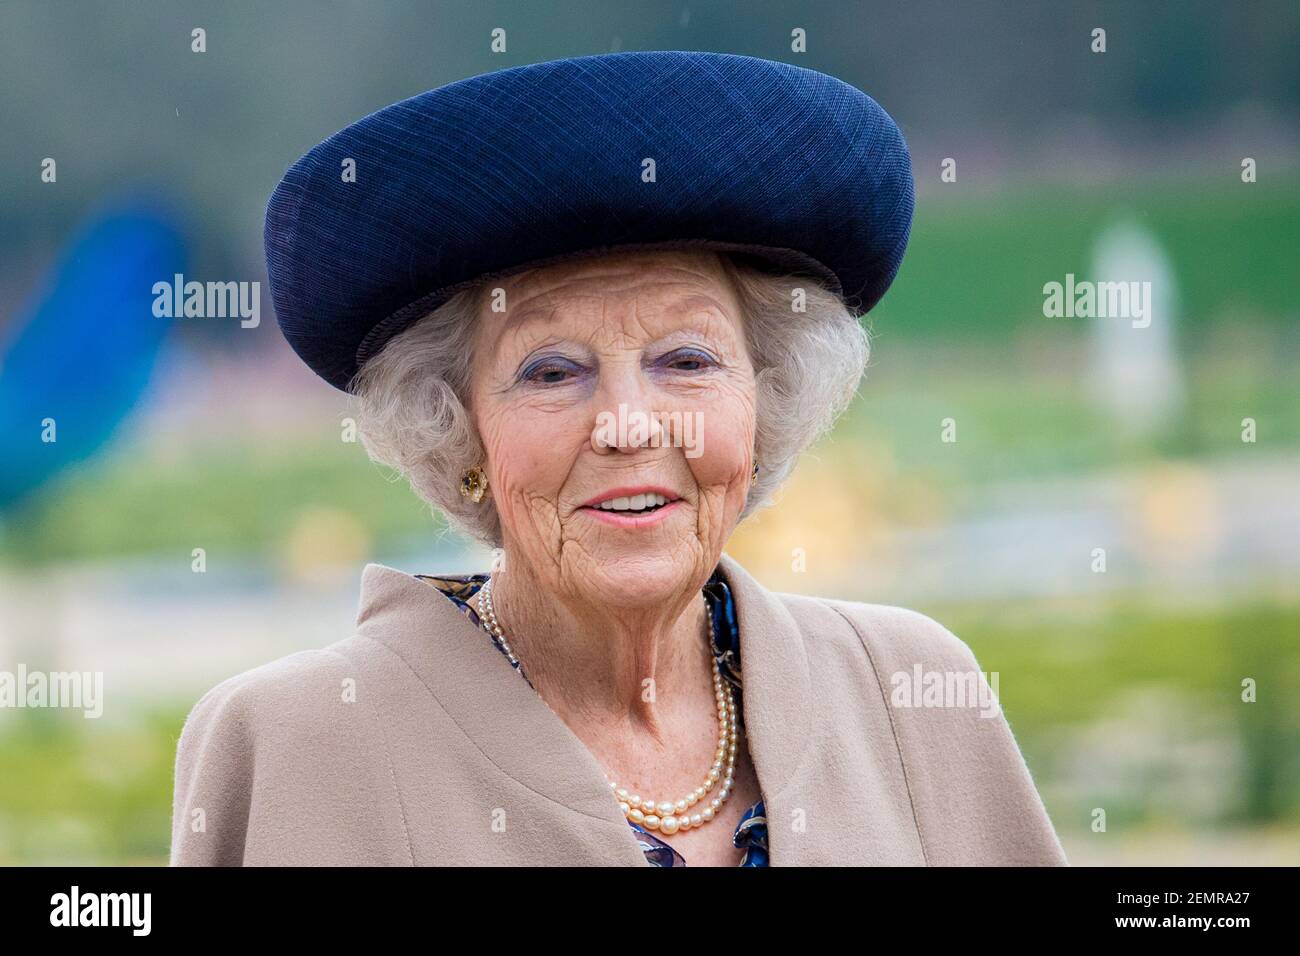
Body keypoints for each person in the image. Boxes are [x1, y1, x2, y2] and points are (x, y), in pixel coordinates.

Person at [170, 50, 1067, 866]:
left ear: (765, 403)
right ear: (459, 431)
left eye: (688, 361)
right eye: (552, 372)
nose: (631, 426)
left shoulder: (913, 693)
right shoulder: (304, 743)